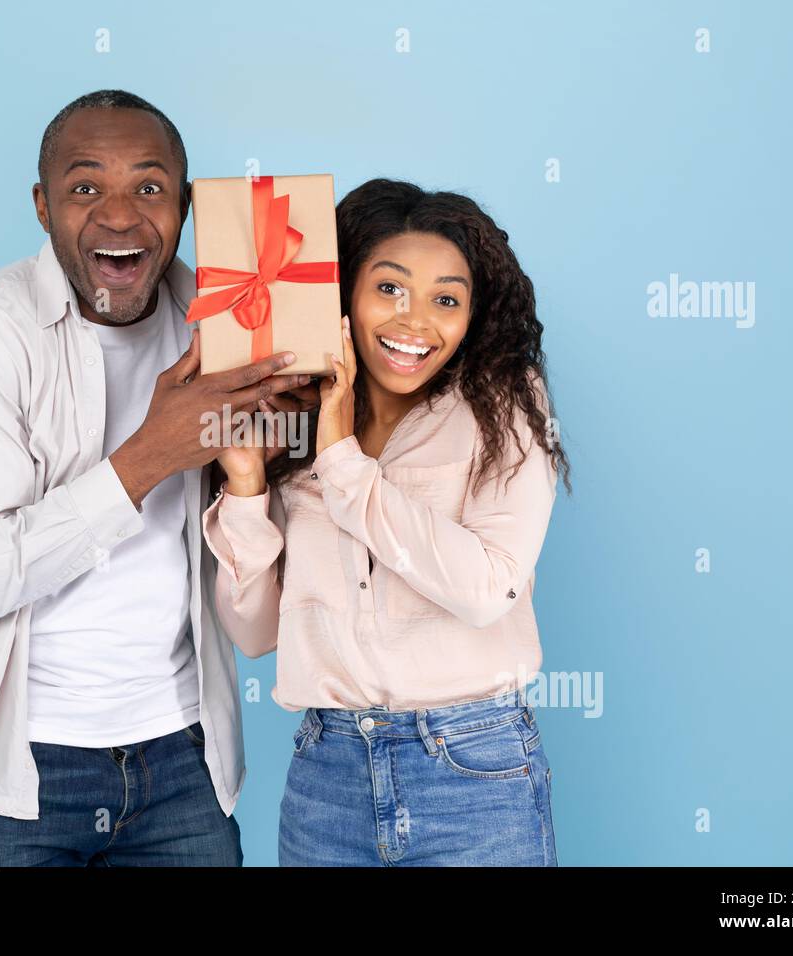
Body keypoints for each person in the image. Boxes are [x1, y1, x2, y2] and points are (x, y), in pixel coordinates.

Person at [0, 89, 314, 866]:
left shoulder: (234, 324)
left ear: (187, 206)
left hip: (182, 764)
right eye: (85, 186)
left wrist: (267, 471)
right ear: (41, 205)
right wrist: (149, 455)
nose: (120, 215)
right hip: (17, 769)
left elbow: (259, 624)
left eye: (150, 188)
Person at [204, 178, 573, 866]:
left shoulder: (504, 404)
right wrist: (248, 485)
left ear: (472, 314)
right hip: (327, 776)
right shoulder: (293, 419)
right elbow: (255, 633)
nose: (415, 323)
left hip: (472, 773)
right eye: (389, 289)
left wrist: (343, 460)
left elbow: (487, 589)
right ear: (344, 295)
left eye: (446, 300)